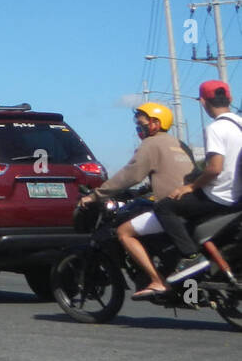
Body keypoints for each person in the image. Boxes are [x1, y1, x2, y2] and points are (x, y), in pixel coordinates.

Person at [83, 103, 194, 299]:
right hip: (191, 204)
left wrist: (95, 195)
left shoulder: (150, 144)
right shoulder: (178, 143)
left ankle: (157, 281)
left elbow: (130, 175)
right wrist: (144, 190)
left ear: (155, 124)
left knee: (124, 232)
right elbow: (168, 176)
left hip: (171, 209)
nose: (139, 131)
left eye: (140, 126)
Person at [151, 79, 242, 294]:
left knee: (164, 207)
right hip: (237, 196)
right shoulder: (239, 124)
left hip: (219, 197)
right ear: (230, 98)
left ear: (202, 101)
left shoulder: (216, 128)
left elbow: (214, 169)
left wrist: (190, 187)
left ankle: (191, 257)